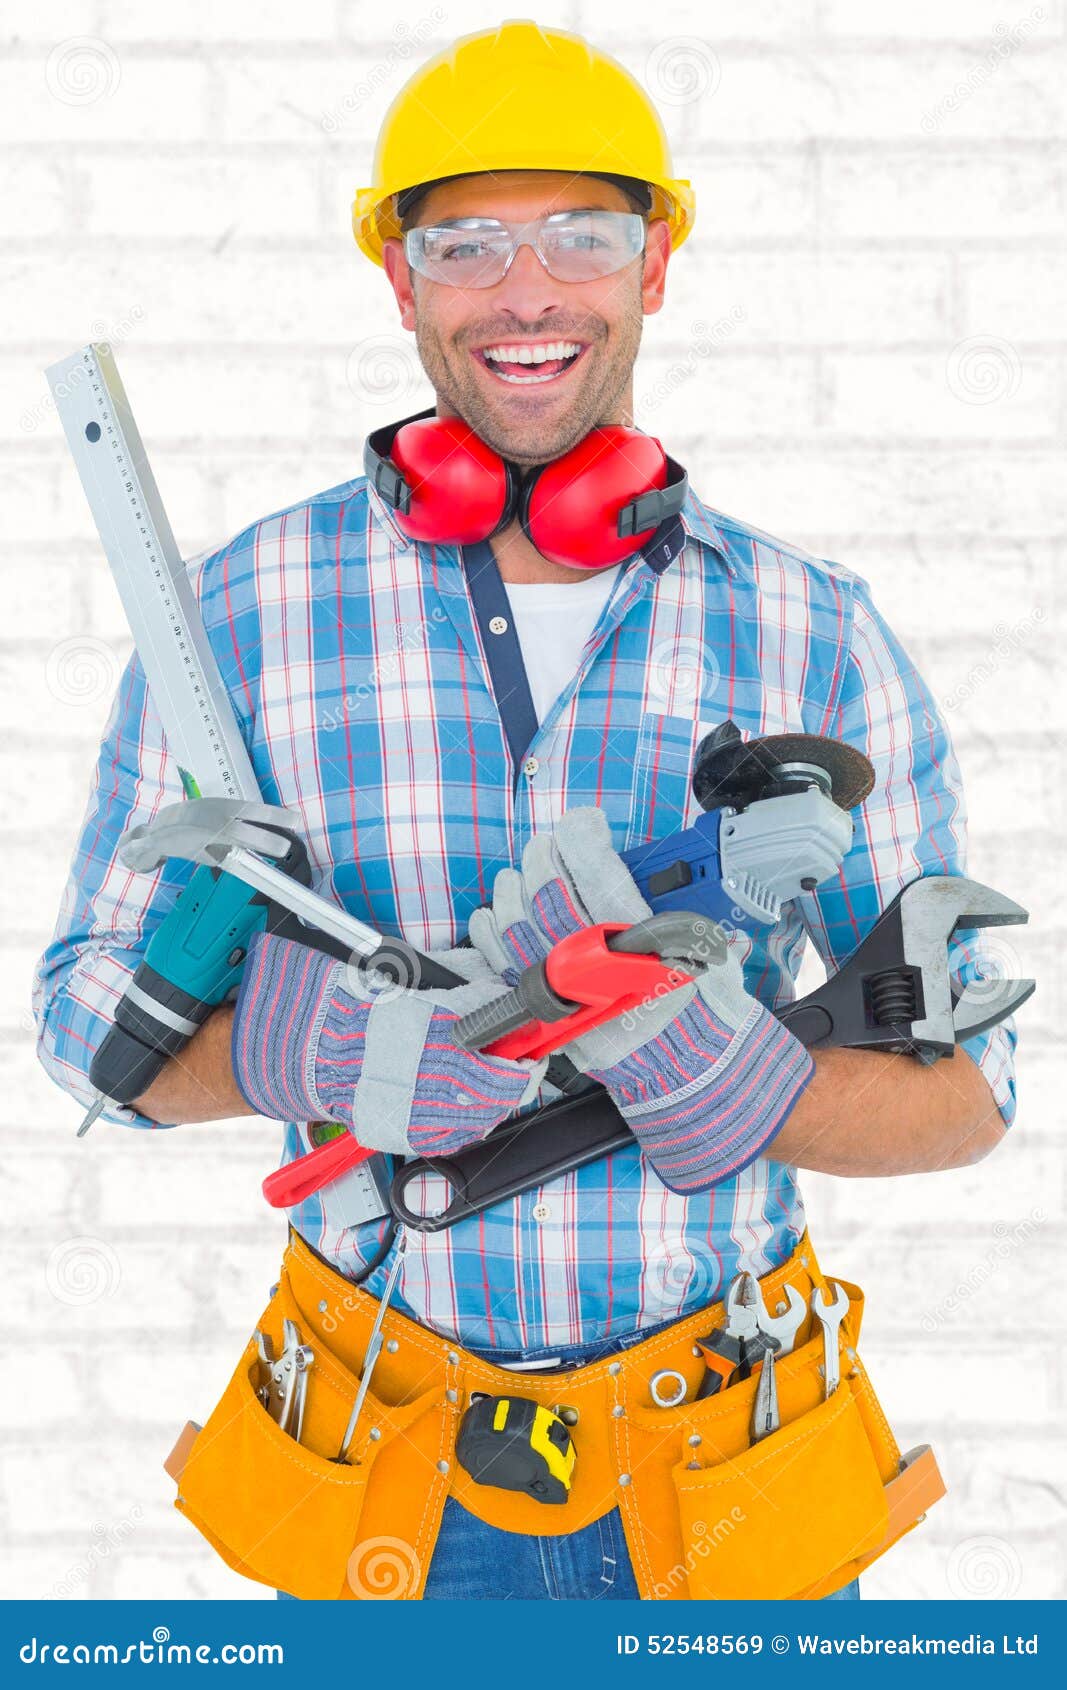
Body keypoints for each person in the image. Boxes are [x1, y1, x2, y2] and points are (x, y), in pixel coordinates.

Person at [34, 21, 1017, 1603]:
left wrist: (751, 1083)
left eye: (583, 234)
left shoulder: (815, 628)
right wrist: (303, 1052)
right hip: (375, 1452)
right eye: (468, 243)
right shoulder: (242, 610)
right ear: (400, 280)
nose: (529, 289)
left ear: (658, 260)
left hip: (728, 1464)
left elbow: (970, 1097)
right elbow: (84, 1027)